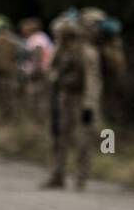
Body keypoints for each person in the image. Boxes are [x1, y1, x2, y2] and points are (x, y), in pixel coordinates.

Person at [41, 12, 101, 190]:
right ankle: (57, 175)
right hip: (65, 97)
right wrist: (55, 78)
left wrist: (89, 104)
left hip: (82, 98)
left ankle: (81, 177)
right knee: (60, 137)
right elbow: (51, 70)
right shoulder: (61, 50)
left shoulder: (87, 52)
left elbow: (92, 80)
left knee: (83, 139)